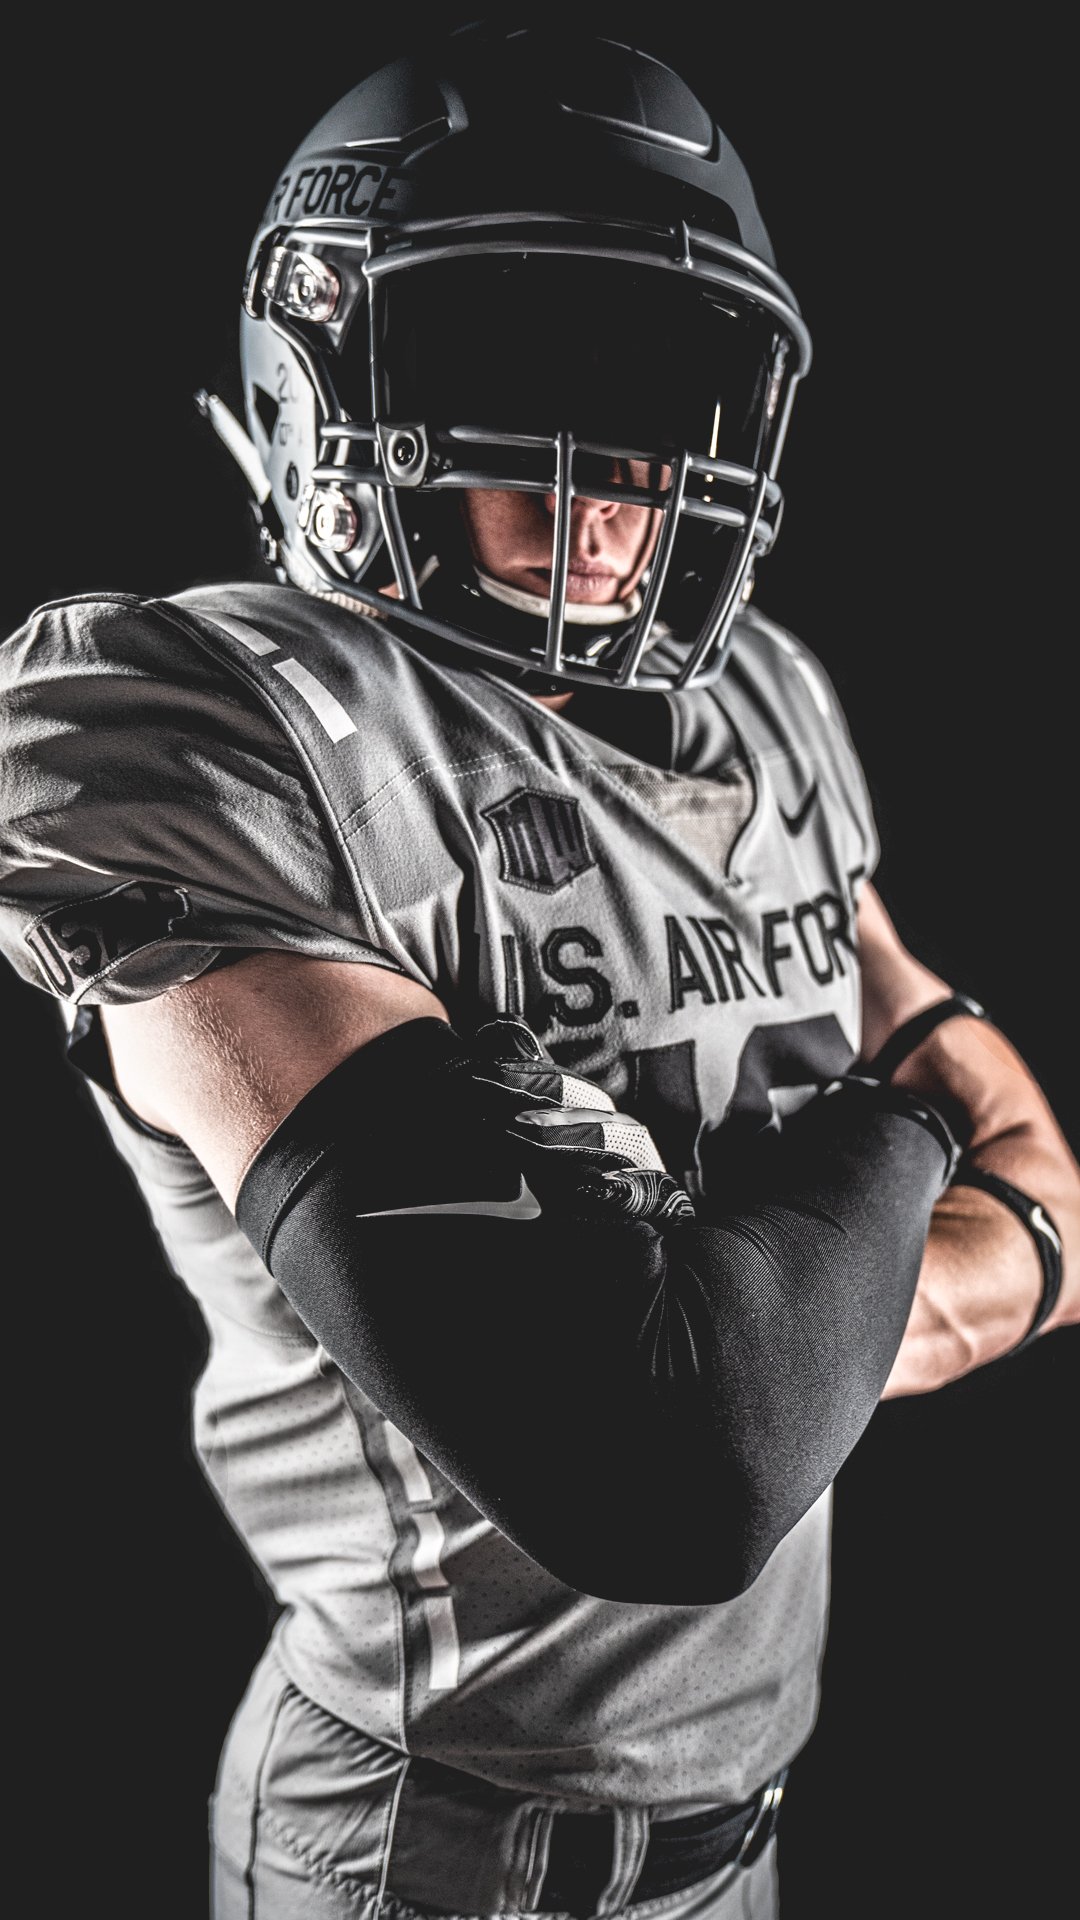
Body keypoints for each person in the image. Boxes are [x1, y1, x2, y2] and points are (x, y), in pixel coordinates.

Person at [1, 22, 1076, 1920]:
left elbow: (1030, 1202)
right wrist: (913, 1150)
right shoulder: (199, 716)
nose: (613, 460)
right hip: (427, 1837)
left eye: (668, 376)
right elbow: (671, 1450)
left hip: (744, 1832)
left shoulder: (766, 701)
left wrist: (797, 1282)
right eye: (519, 357)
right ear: (330, 374)